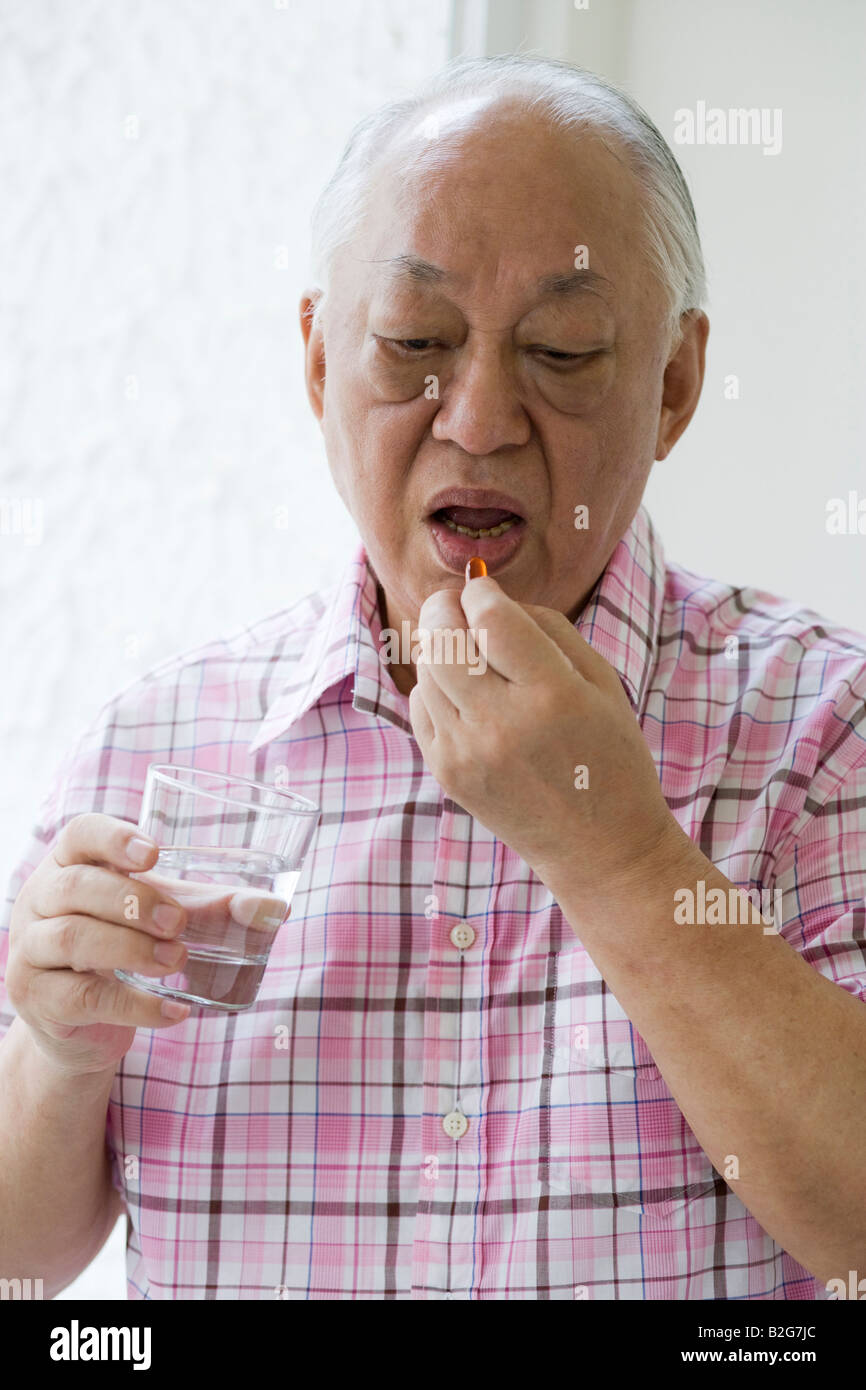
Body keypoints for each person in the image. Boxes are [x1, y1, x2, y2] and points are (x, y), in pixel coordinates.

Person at [1, 54, 865, 1302]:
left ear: (674, 384)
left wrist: (619, 856)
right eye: (414, 342)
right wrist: (58, 1053)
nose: (477, 418)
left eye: (562, 350)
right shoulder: (158, 742)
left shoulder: (823, 728)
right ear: (317, 360)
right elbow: (23, 1259)